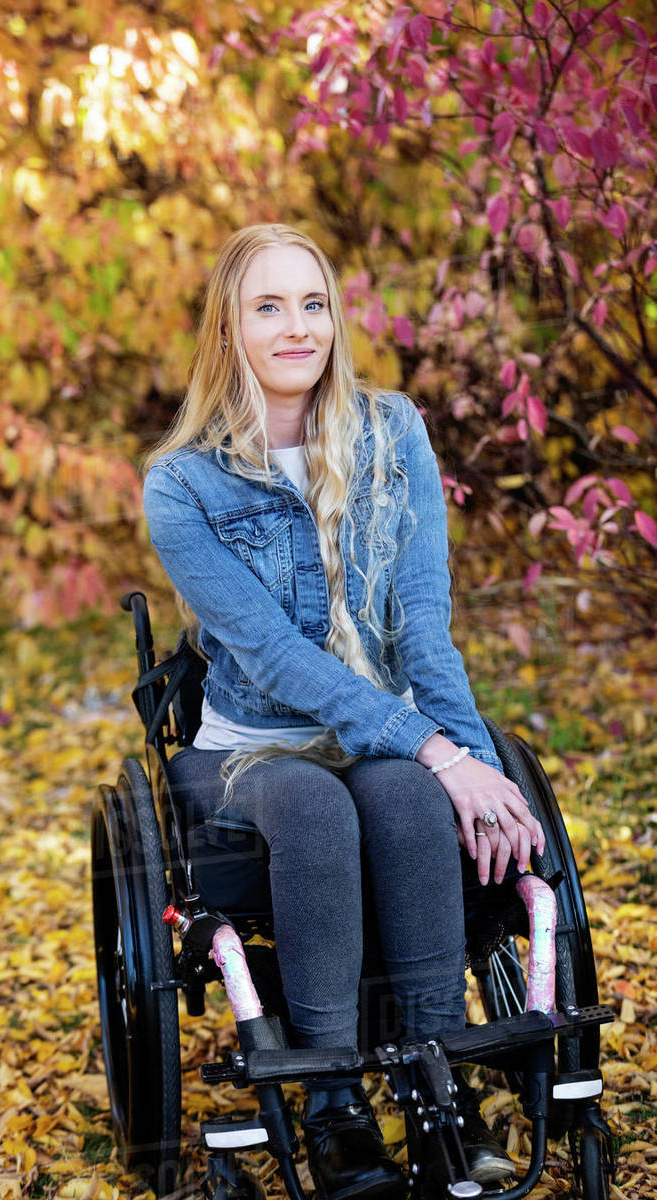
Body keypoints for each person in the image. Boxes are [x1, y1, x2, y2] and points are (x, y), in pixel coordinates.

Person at [142, 224, 545, 1200]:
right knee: (318, 808)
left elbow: (419, 624)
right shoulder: (180, 483)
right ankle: (332, 1105)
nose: (296, 328)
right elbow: (275, 660)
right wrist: (434, 749)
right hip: (250, 746)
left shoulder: (390, 430)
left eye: (312, 303)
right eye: (267, 307)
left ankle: (437, 1078)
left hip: (382, 735)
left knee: (408, 798)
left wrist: (469, 758)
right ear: (227, 329)